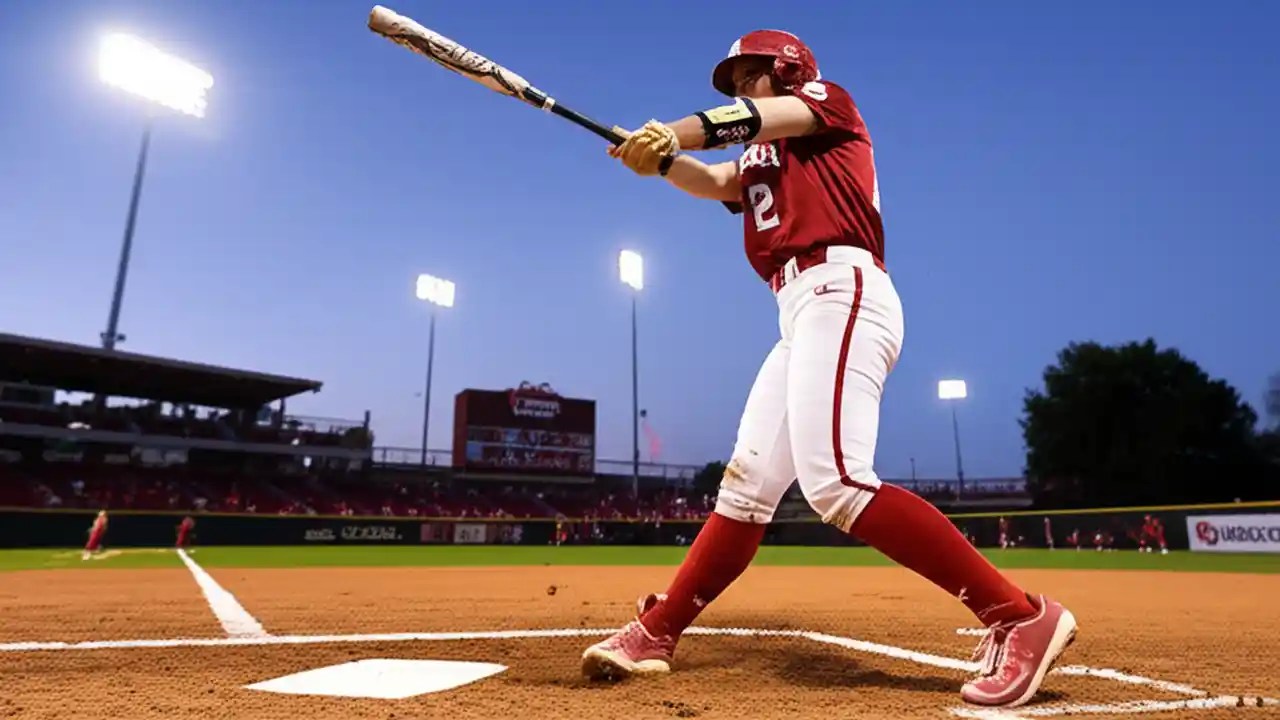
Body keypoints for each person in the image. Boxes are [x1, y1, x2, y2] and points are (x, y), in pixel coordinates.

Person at [580, 30, 1077, 709]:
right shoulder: (761, 157)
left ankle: (1017, 614)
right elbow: (719, 179)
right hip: (797, 308)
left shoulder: (825, 102)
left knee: (837, 484)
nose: (738, 89)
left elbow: (752, 120)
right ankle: (658, 631)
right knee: (748, 488)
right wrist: (660, 163)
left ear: (786, 69)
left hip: (840, 289)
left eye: (748, 75)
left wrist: (671, 132)